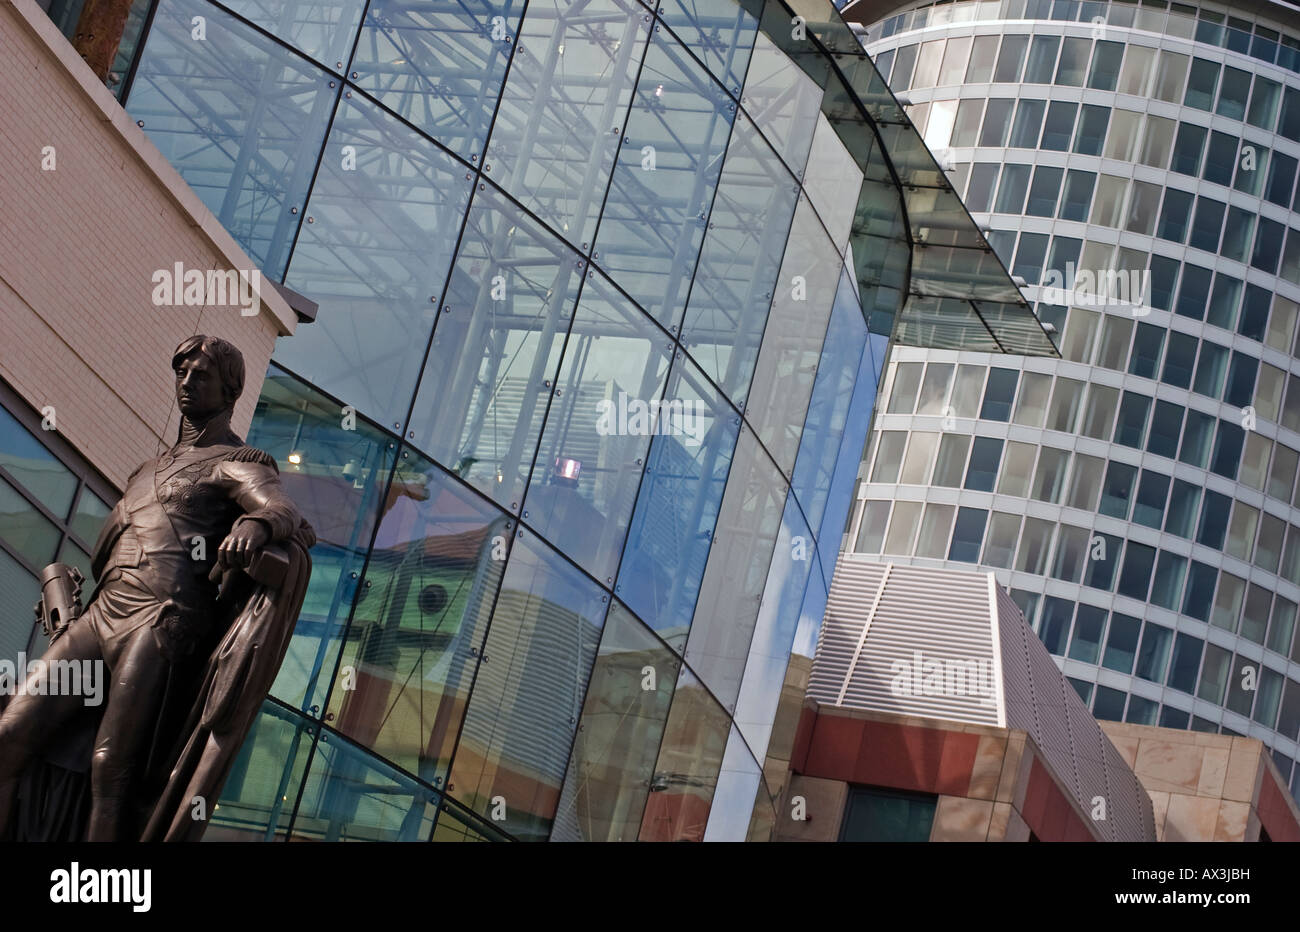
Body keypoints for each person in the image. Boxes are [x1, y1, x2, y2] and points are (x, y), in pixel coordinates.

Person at [0, 334, 312, 841]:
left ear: (230, 390)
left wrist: (255, 527)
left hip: (163, 618)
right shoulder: (144, 471)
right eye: (182, 372)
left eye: (202, 375)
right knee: (11, 731)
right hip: (104, 611)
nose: (187, 383)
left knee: (110, 768)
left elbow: (283, 511)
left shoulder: (238, 459)